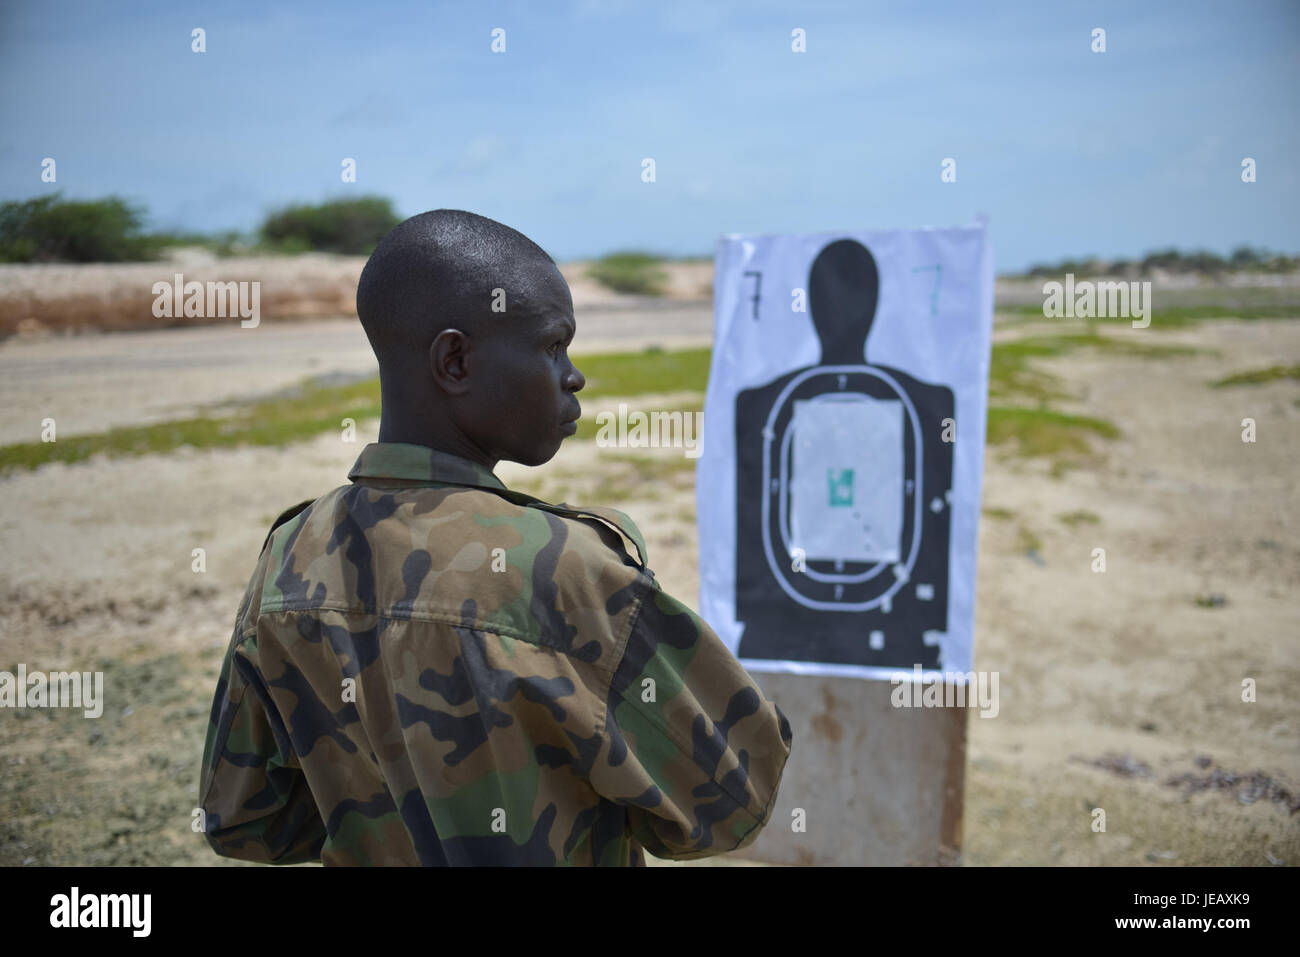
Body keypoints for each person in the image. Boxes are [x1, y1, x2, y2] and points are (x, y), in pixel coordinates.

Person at [197, 209, 792, 866]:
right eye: (551, 345)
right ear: (454, 360)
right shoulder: (561, 567)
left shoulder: (290, 557)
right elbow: (734, 801)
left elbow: (246, 819)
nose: (573, 375)